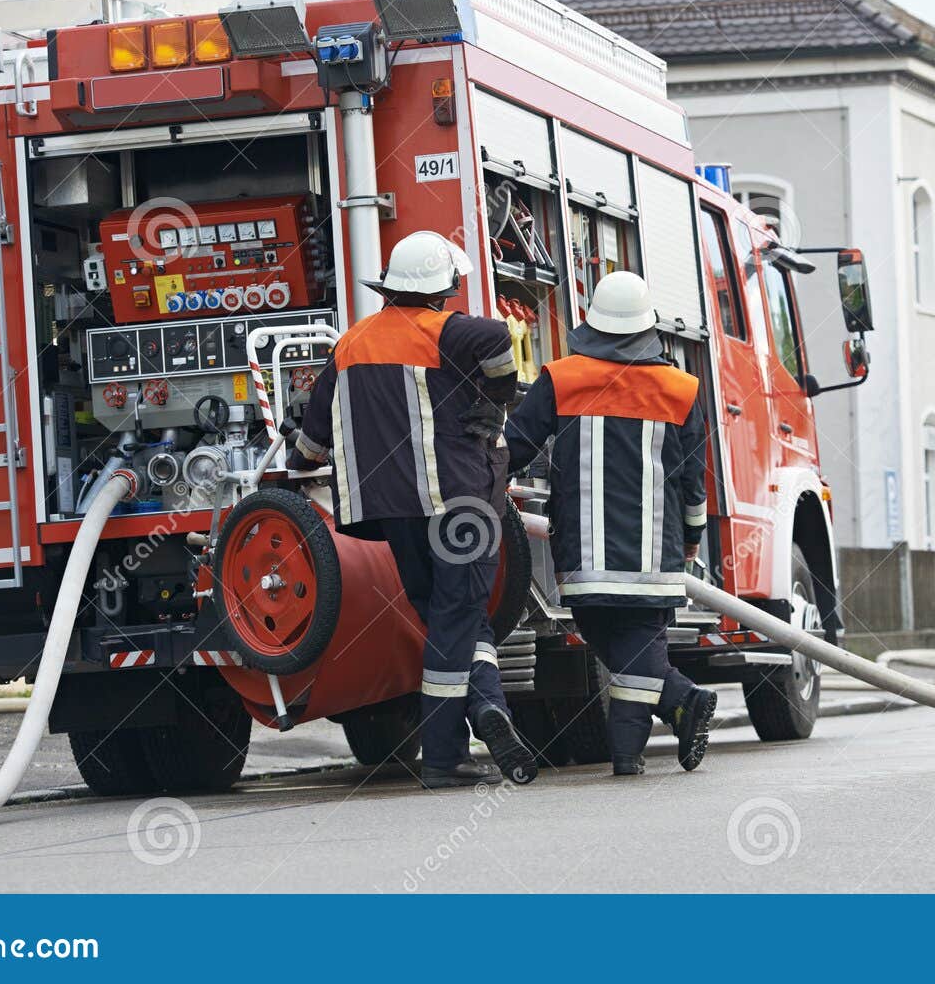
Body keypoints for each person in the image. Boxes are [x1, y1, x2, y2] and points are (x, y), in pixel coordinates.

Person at [290, 231, 537, 789]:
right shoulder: (446, 331)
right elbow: (498, 337)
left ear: (391, 287)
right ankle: (447, 754)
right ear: (445, 289)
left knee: (450, 617)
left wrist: (296, 459)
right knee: (457, 615)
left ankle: (487, 708)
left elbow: (311, 441)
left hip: (393, 513)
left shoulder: (351, 343)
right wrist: (495, 398)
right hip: (461, 508)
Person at [504, 271, 716, 776]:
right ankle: (649, 735)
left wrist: (473, 481)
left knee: (617, 645)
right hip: (655, 560)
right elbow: (693, 483)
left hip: (584, 560)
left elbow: (514, 447)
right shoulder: (682, 390)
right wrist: (691, 539)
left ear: (593, 322)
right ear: (649, 329)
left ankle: (668, 716)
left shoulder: (561, 379)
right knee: (641, 646)